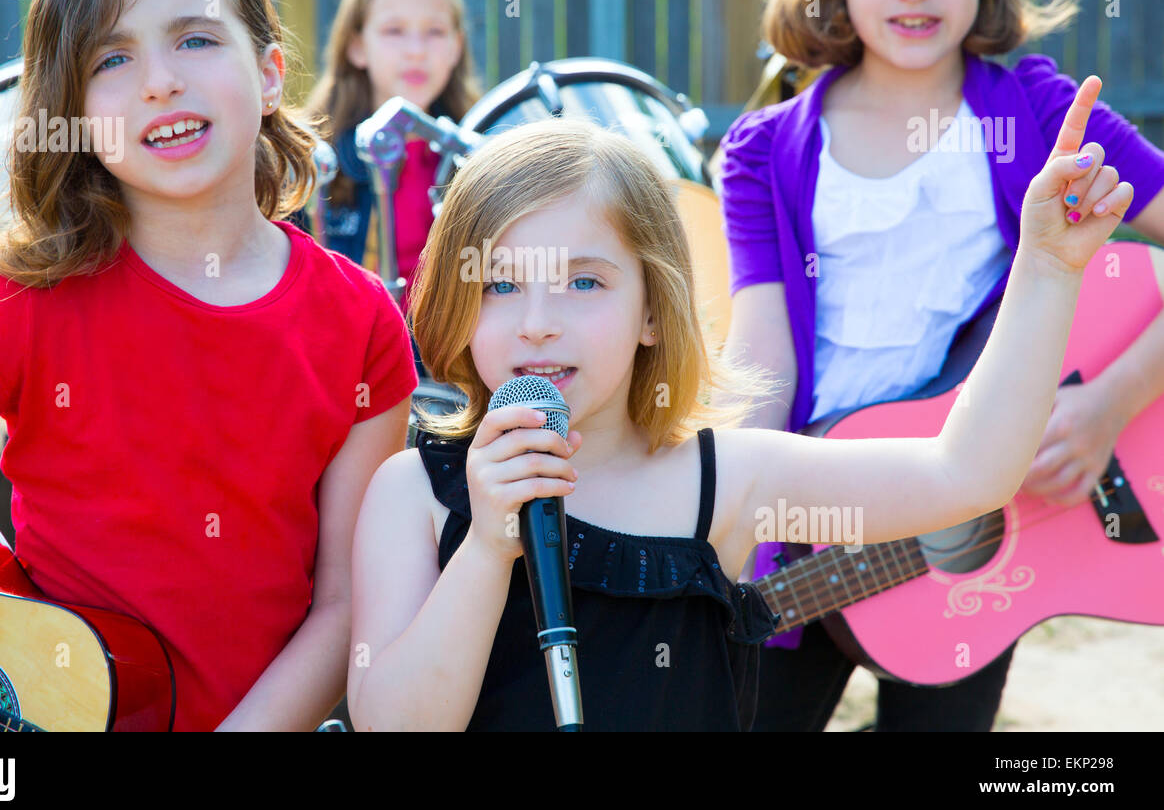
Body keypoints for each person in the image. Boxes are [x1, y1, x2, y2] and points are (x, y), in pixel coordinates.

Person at [346, 105, 1132, 731]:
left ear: (654, 309)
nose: (539, 320)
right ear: (456, 306)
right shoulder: (411, 493)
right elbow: (396, 724)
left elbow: (967, 473)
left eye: (585, 283)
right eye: (501, 285)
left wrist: (1047, 268)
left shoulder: (728, 480)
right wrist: (488, 542)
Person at [0, 0, 419, 731]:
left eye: (195, 39)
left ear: (269, 75)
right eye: (113, 58)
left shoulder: (360, 321)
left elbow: (343, 608)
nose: (159, 80)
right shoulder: (26, 305)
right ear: (78, 114)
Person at [718, 0, 1164, 732]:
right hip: (812, 528)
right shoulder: (763, 151)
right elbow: (760, 362)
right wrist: (722, 500)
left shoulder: (1041, 113)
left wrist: (1110, 402)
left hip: (978, 537)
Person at [299, 0, 480, 307]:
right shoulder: (314, 161)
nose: (416, 51)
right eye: (394, 31)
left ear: (456, 47)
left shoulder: (480, 152)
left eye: (435, 31)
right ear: (356, 47)